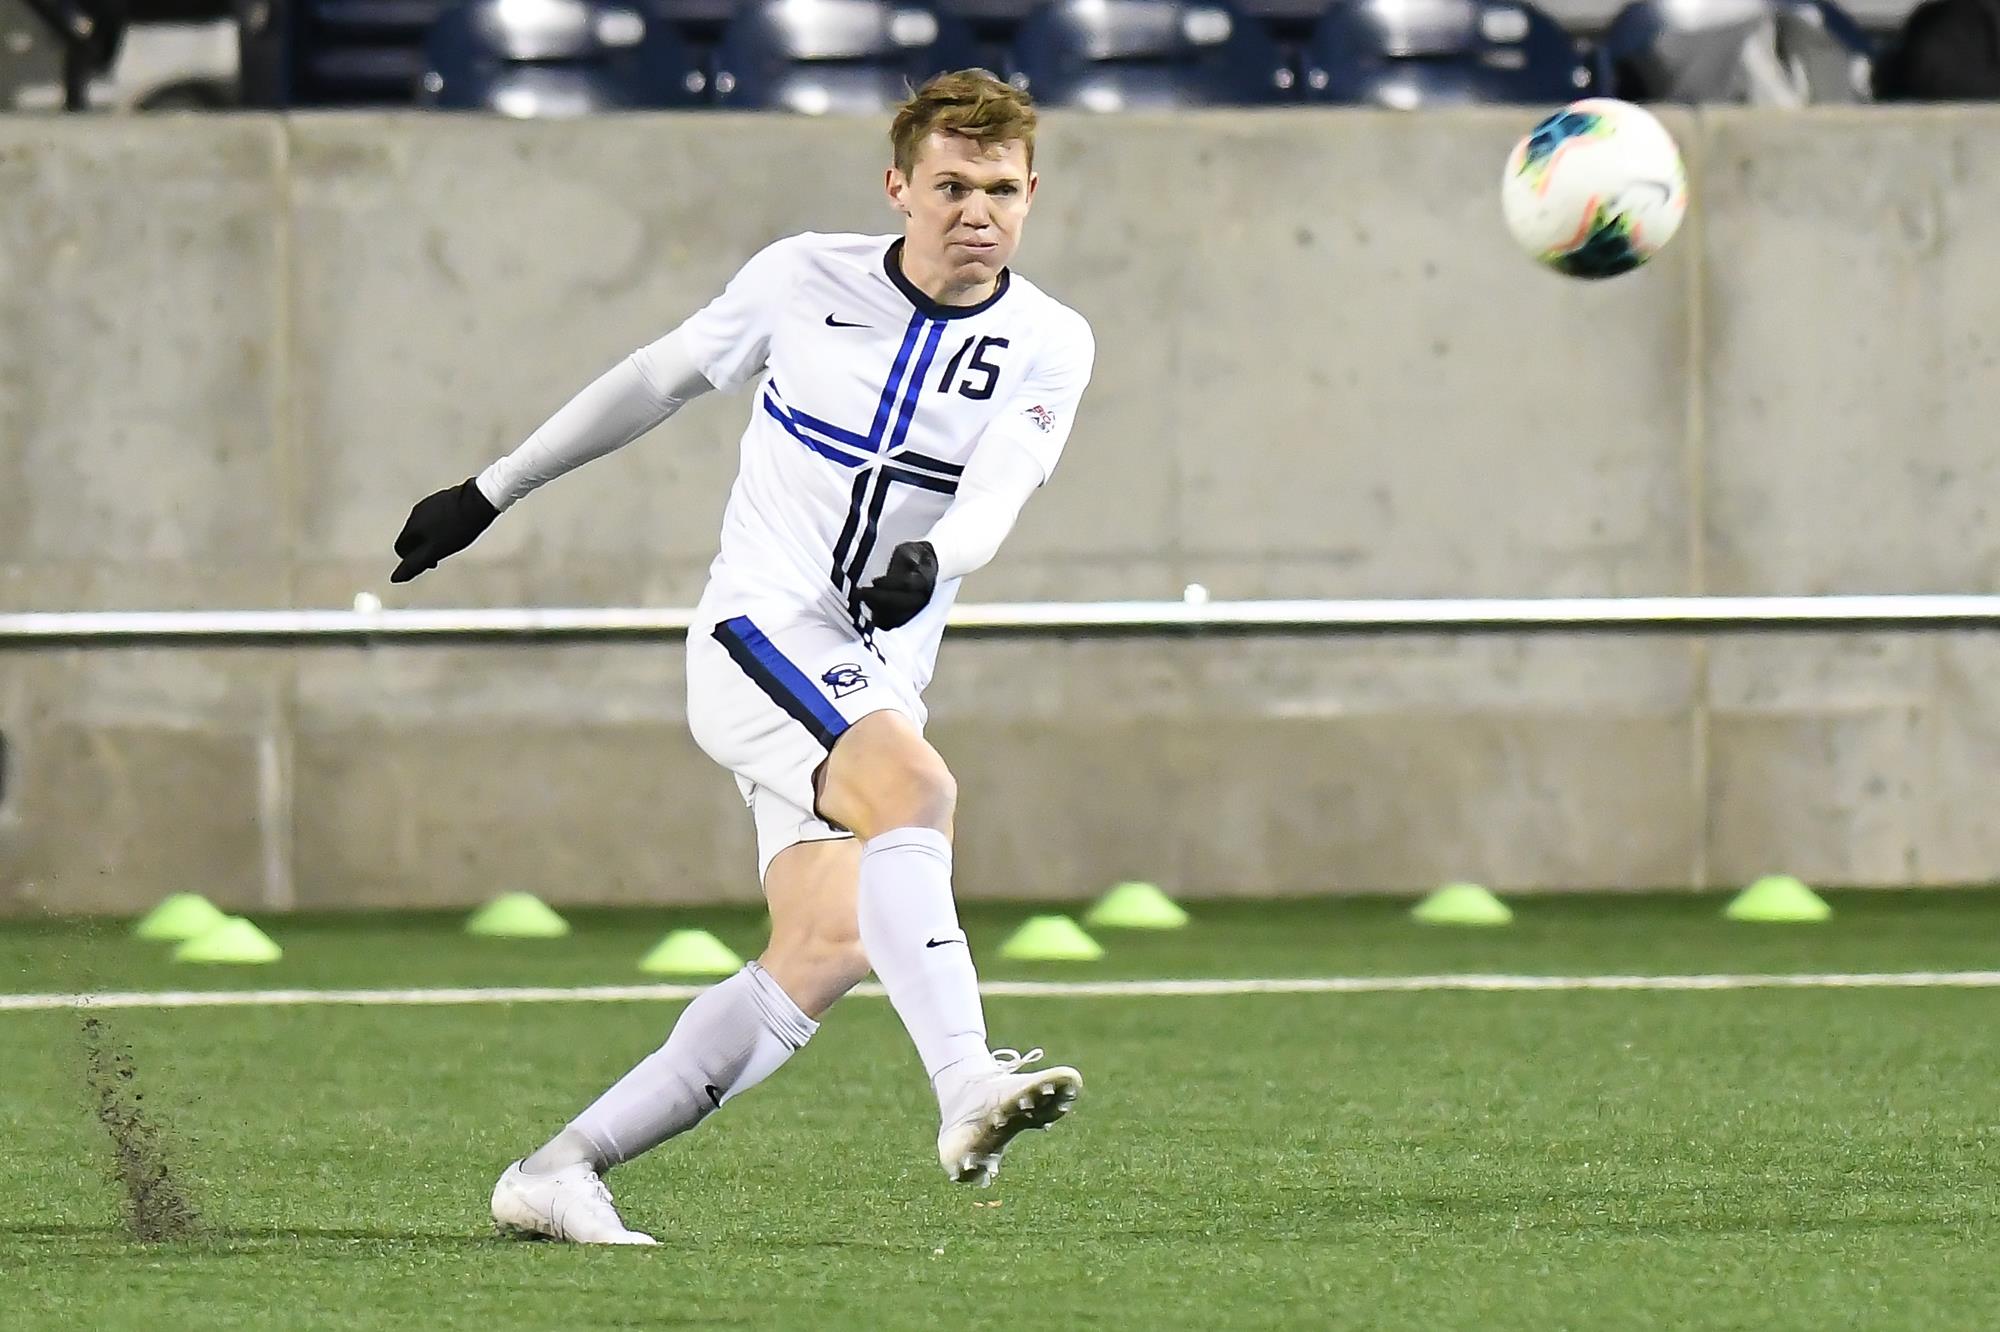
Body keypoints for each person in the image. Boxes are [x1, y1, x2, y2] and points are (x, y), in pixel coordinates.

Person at [389, 69, 1096, 1245]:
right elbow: (657, 378)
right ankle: (966, 1080)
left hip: (869, 677)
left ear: (1031, 196)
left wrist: (935, 560)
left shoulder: (1050, 342)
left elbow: (997, 491)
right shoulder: (799, 276)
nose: (979, 211)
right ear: (897, 188)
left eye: (1004, 190)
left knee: (827, 945)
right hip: (757, 632)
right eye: (953, 186)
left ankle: (557, 1172)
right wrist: (490, 489)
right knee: (917, 789)